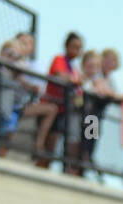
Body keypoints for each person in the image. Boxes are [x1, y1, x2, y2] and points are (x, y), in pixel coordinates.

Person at [37, 32, 83, 170]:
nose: (77, 51)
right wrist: (75, 80)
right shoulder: (59, 60)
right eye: (74, 47)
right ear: (66, 46)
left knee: (52, 148)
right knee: (44, 148)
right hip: (51, 106)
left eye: (79, 48)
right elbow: (60, 76)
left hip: (68, 112)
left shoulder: (73, 68)